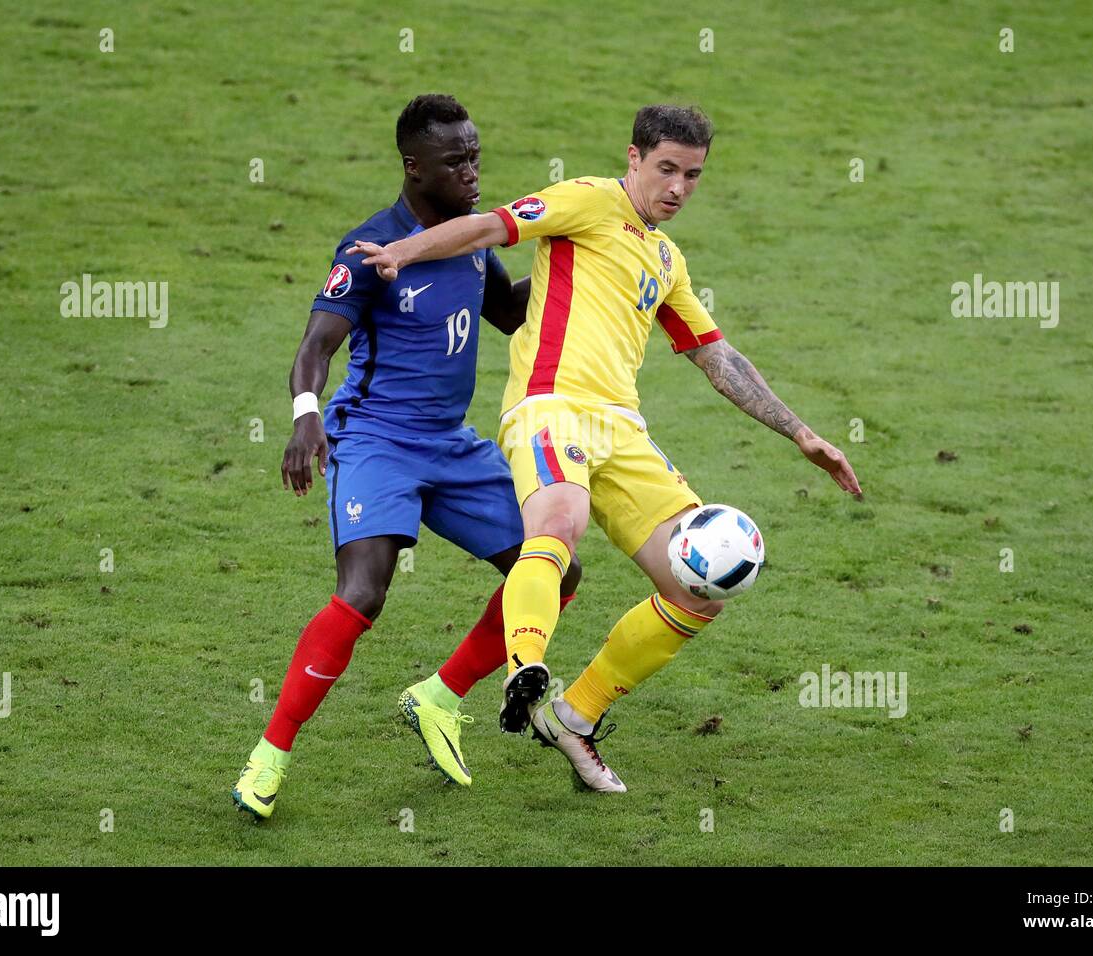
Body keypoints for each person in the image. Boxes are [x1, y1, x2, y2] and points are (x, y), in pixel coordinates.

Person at [348, 104, 861, 792]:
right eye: (667, 169)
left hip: (622, 431)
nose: (678, 187)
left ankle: (574, 715)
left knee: (698, 587)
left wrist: (801, 432)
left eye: (693, 175)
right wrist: (403, 251)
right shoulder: (587, 201)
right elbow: (490, 226)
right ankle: (525, 667)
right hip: (550, 406)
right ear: (634, 159)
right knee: (560, 523)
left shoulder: (666, 259)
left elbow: (717, 356)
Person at [232, 94, 579, 819]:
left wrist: (570, 259)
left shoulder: (470, 239)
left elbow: (507, 312)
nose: (474, 173)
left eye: (477, 156)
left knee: (556, 569)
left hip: (450, 444)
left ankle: (440, 697)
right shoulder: (368, 249)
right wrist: (305, 422)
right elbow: (315, 347)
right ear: (414, 167)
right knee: (363, 592)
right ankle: (269, 756)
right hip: (376, 442)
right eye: (457, 162)